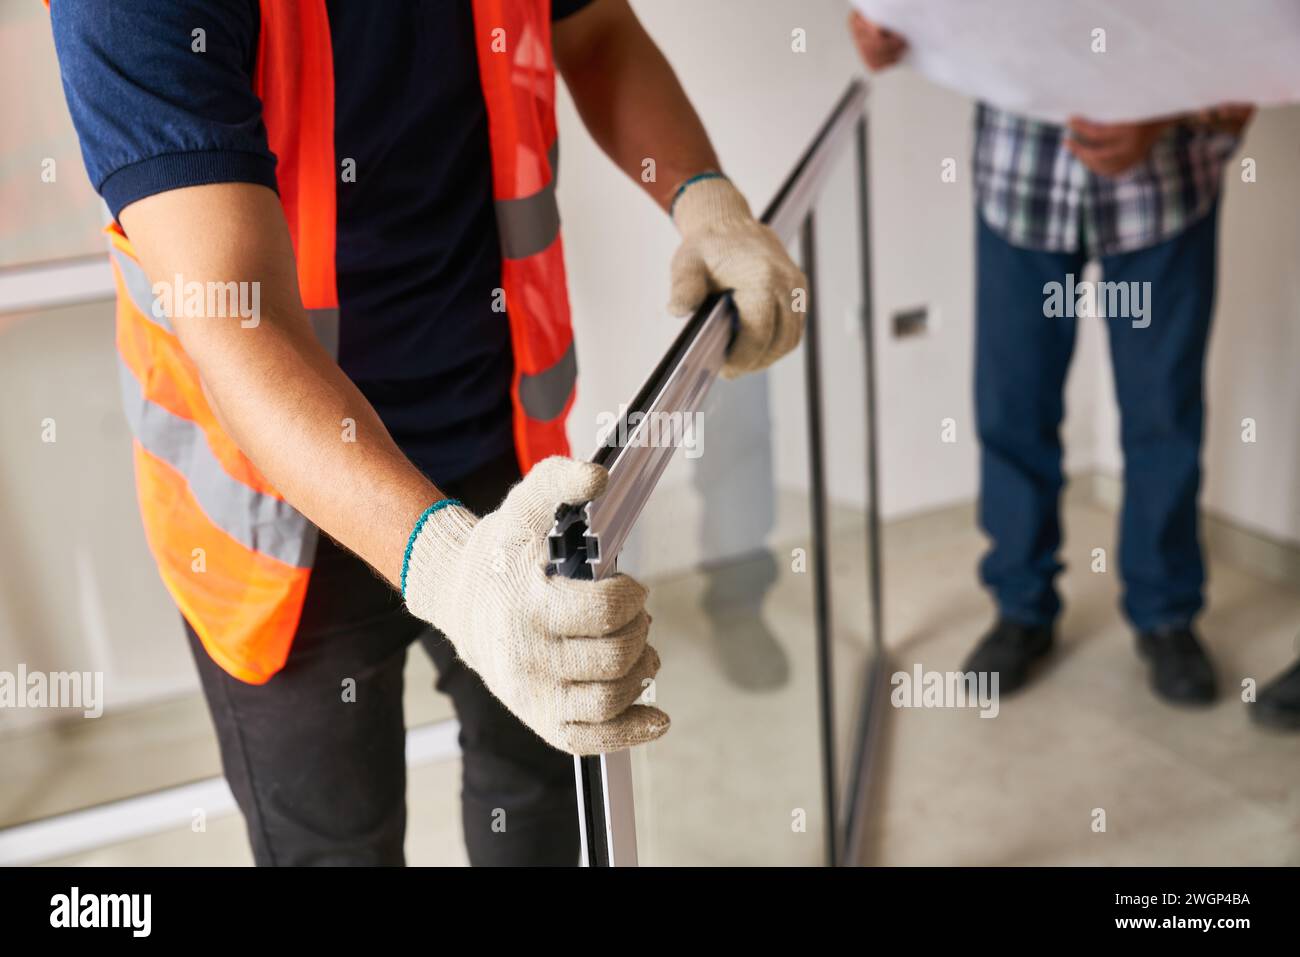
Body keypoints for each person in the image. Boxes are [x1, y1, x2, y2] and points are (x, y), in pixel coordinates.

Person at [49, 0, 807, 866]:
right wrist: (449, 569)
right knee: (335, 846)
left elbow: (591, 28)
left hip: (508, 450)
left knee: (543, 808)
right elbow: (237, 317)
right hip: (281, 527)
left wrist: (703, 195)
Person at [848, 11, 1265, 709]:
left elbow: (1246, 30)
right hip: (1021, 184)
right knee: (1014, 405)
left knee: (1163, 414)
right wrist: (883, 21)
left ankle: (1165, 613)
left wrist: (1165, 112)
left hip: (1164, 192)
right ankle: (1021, 605)